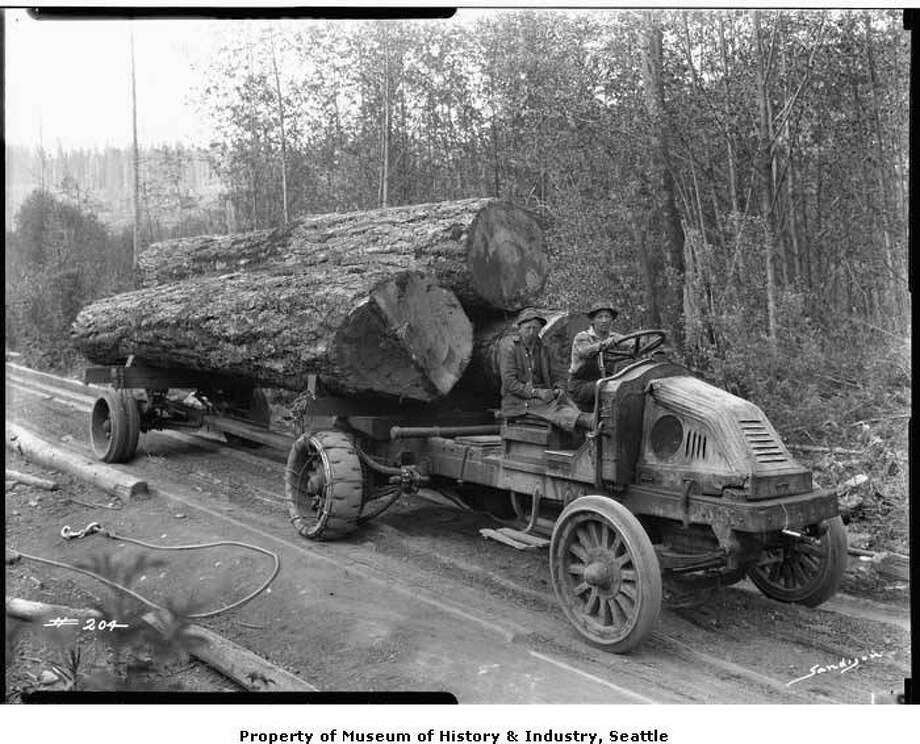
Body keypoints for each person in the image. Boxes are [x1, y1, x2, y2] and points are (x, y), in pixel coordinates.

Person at [498, 308, 592, 431]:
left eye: (535, 328)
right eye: (528, 328)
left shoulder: (543, 347)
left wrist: (559, 387)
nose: (532, 332)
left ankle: (589, 423)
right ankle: (588, 422)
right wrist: (536, 392)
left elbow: (557, 373)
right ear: (520, 328)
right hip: (518, 401)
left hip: (545, 396)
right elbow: (510, 383)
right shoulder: (509, 346)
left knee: (569, 404)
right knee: (555, 410)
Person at [567, 300, 624, 409]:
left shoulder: (615, 337)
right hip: (581, 385)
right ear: (592, 320)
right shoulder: (583, 337)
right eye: (600, 317)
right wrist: (603, 345)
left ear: (612, 320)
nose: (604, 321)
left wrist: (644, 343)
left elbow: (631, 343)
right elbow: (585, 351)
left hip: (606, 380)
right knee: (609, 389)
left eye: (607, 317)